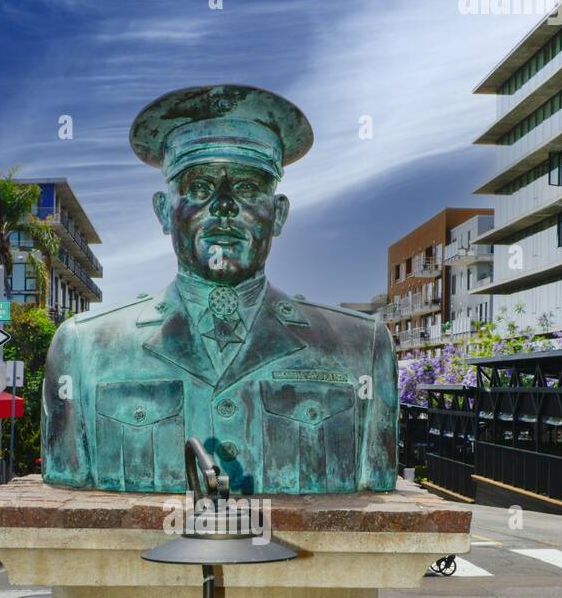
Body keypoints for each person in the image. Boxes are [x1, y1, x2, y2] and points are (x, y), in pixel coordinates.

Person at [42, 84, 397, 494]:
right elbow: (66, 499)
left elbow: (376, 493)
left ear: (278, 214)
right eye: (199, 188)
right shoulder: (84, 348)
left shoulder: (363, 347)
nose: (224, 206)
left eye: (247, 188)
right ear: (164, 211)